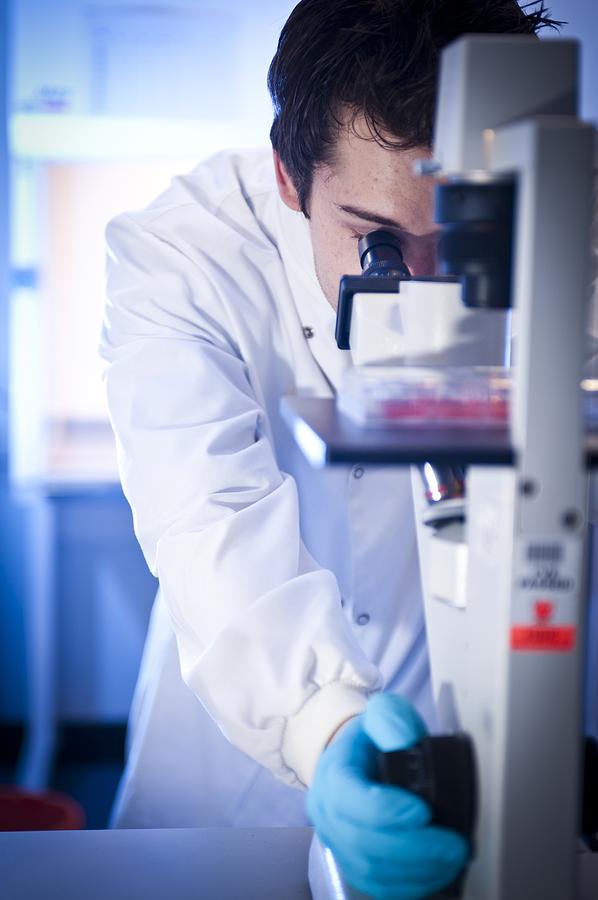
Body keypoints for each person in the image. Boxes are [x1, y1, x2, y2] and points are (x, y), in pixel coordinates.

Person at [100, 2, 559, 896]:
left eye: (456, 245)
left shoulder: (547, 231)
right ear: (287, 177)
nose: (428, 296)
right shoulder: (183, 258)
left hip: (445, 738)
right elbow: (206, 514)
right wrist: (319, 723)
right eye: (378, 243)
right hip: (225, 774)